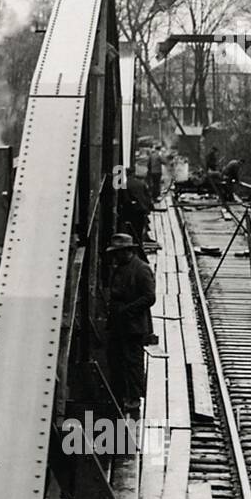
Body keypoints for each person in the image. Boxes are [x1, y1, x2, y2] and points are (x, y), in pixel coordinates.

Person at [104, 233, 156, 412]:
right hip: (118, 324)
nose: (115, 256)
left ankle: (134, 399)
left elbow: (150, 297)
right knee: (116, 360)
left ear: (127, 251)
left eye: (117, 253)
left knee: (133, 362)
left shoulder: (141, 269)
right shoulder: (120, 267)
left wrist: (128, 310)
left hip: (133, 325)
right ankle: (119, 396)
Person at [119, 172, 154, 246]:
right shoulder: (141, 183)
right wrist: (147, 207)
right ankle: (139, 244)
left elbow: (125, 199)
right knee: (139, 229)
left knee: (131, 230)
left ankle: (133, 244)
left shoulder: (124, 185)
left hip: (131, 210)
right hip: (141, 210)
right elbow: (148, 196)